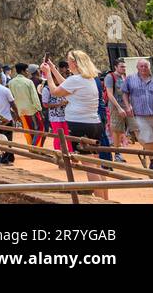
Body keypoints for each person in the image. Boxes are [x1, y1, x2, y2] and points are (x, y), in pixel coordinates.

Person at [42, 51, 108, 200]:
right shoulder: (88, 78)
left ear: (75, 63)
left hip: (79, 125)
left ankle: (98, 200)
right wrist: (52, 68)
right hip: (94, 123)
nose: (68, 64)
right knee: (96, 163)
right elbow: (66, 85)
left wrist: (47, 74)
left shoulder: (76, 79)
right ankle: (104, 198)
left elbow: (55, 91)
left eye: (69, 61)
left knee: (89, 165)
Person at [122, 58, 153, 170]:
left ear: (149, 68)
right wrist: (127, 106)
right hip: (141, 115)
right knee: (148, 139)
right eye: (141, 66)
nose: (143, 68)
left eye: (145, 66)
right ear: (137, 68)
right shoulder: (130, 79)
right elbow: (125, 93)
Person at [9, 61, 45, 147]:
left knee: (28, 130)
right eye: (26, 71)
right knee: (40, 129)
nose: (27, 72)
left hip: (20, 110)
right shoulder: (28, 82)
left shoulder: (11, 82)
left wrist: (15, 112)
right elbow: (34, 98)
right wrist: (39, 110)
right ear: (22, 71)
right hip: (31, 110)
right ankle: (35, 147)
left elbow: (12, 98)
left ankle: (31, 148)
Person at [104, 58, 131, 159]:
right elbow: (110, 94)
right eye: (121, 66)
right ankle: (117, 153)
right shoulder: (110, 77)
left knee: (131, 127)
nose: (124, 68)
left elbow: (127, 93)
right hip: (116, 107)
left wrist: (129, 105)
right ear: (115, 67)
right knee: (117, 130)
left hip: (126, 106)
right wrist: (119, 108)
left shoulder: (124, 77)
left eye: (124, 66)